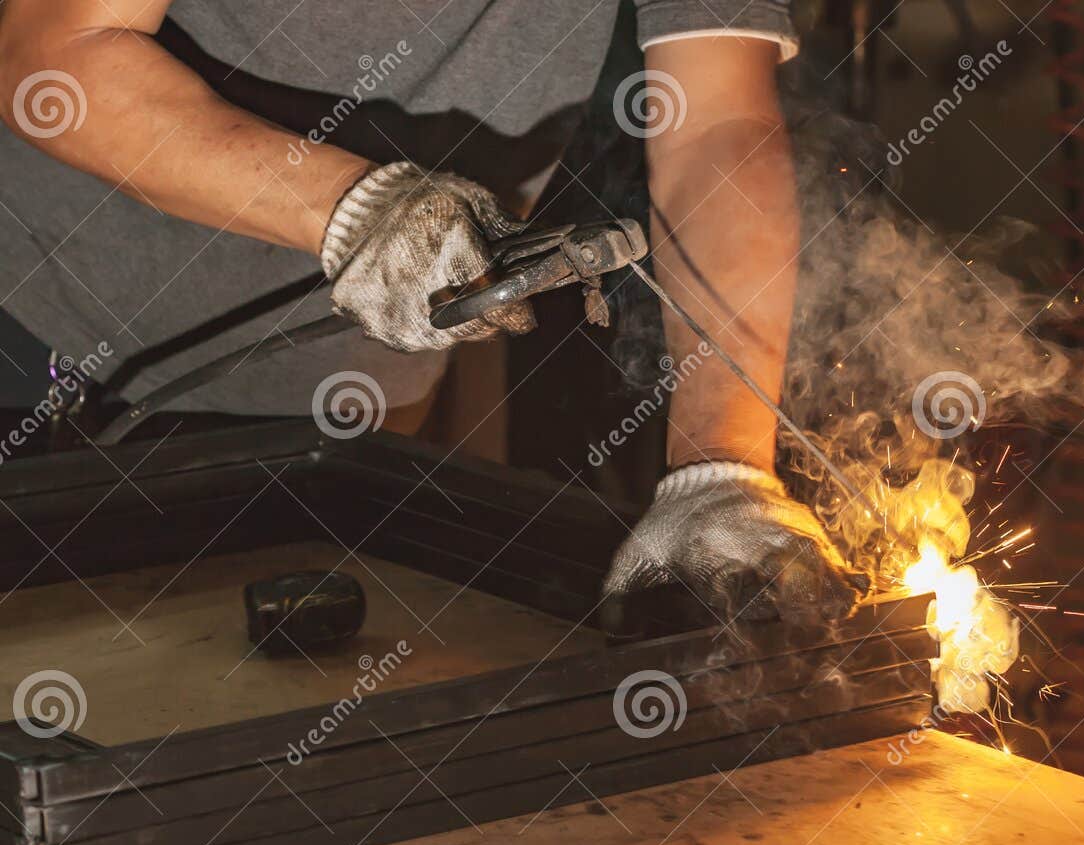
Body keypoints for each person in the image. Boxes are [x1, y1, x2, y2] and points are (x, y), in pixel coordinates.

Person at [0, 0, 861, 621]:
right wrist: (343, 207)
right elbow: (54, 52)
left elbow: (715, 127)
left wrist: (724, 466)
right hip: (48, 326)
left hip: (351, 387)